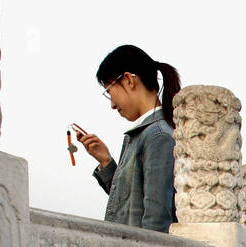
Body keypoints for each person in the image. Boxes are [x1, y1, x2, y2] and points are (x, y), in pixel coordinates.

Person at [75, 46, 180, 233]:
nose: (112, 105)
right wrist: (105, 161)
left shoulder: (158, 137)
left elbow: (156, 223)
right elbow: (130, 204)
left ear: (129, 80)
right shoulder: (145, 134)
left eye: (109, 91)